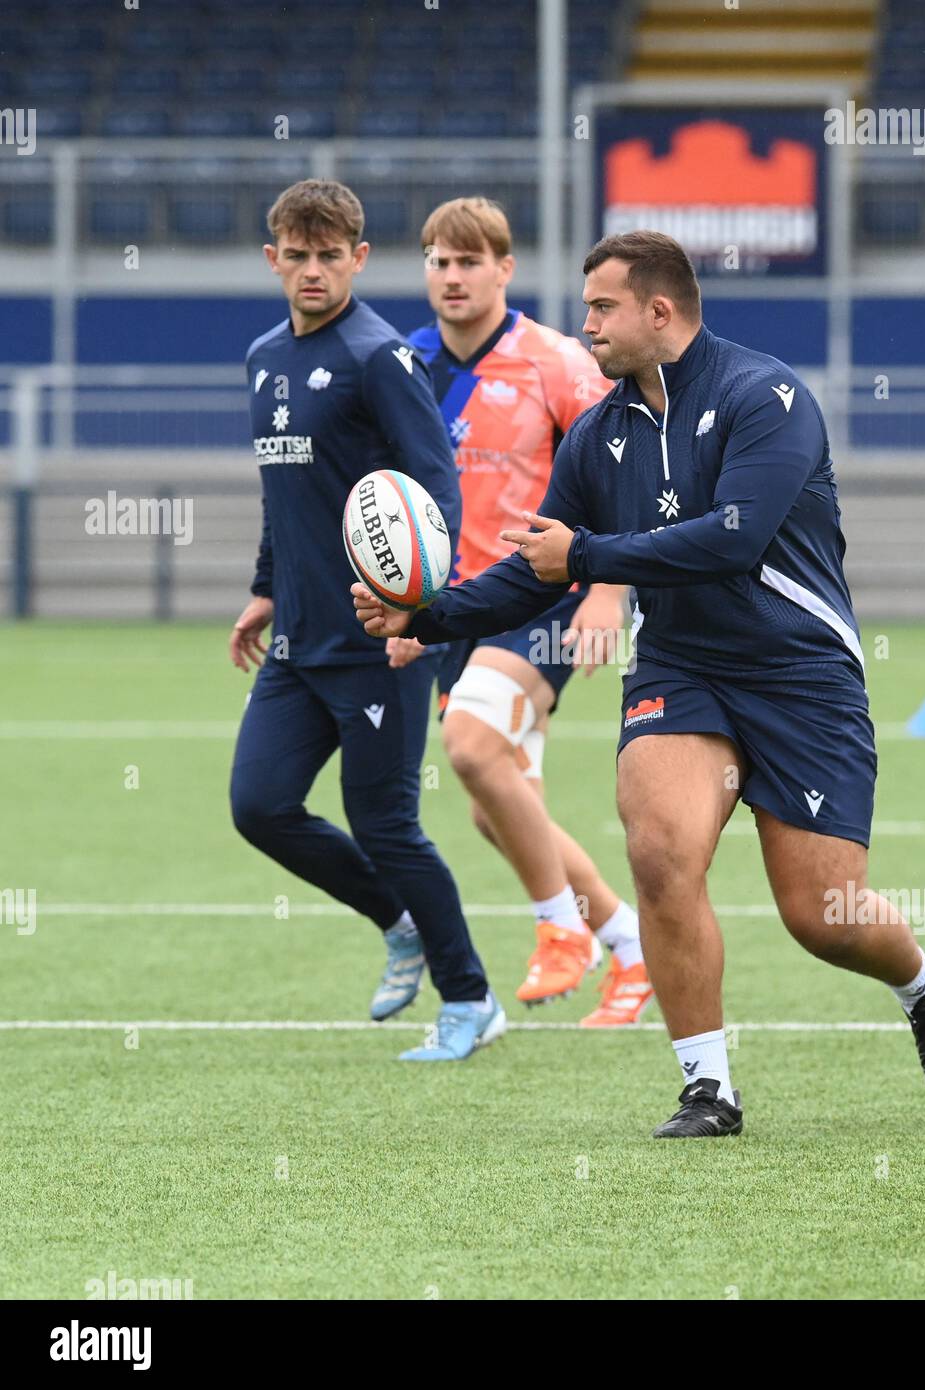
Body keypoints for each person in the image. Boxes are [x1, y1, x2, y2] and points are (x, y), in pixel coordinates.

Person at [352, 229, 925, 1134]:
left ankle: (923, 985)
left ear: (660, 310)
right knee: (660, 852)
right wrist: (428, 613)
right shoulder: (599, 431)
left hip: (800, 675)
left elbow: (734, 538)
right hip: (681, 670)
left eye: (603, 306)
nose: (587, 324)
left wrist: (590, 557)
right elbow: (538, 569)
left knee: (820, 916)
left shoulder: (767, 395)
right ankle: (707, 1086)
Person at [229, 178, 503, 1062]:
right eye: (297, 256)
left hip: (382, 645)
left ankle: (470, 999)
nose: (313, 270)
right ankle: (398, 922)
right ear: (275, 260)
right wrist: (265, 588)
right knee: (260, 806)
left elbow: (437, 485)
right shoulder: (264, 356)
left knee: (386, 824)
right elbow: (285, 495)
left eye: (330, 255)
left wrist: (416, 609)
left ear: (359, 259)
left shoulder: (382, 358)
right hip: (299, 642)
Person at [370, 196, 652, 1027]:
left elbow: (623, 457)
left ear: (505, 269)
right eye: (438, 261)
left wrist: (607, 586)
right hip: (456, 609)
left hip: (547, 595)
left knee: (469, 746)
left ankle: (560, 929)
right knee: (495, 807)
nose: (452, 277)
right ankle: (631, 949)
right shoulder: (405, 365)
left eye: (469, 261)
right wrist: (407, 615)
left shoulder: (555, 361)